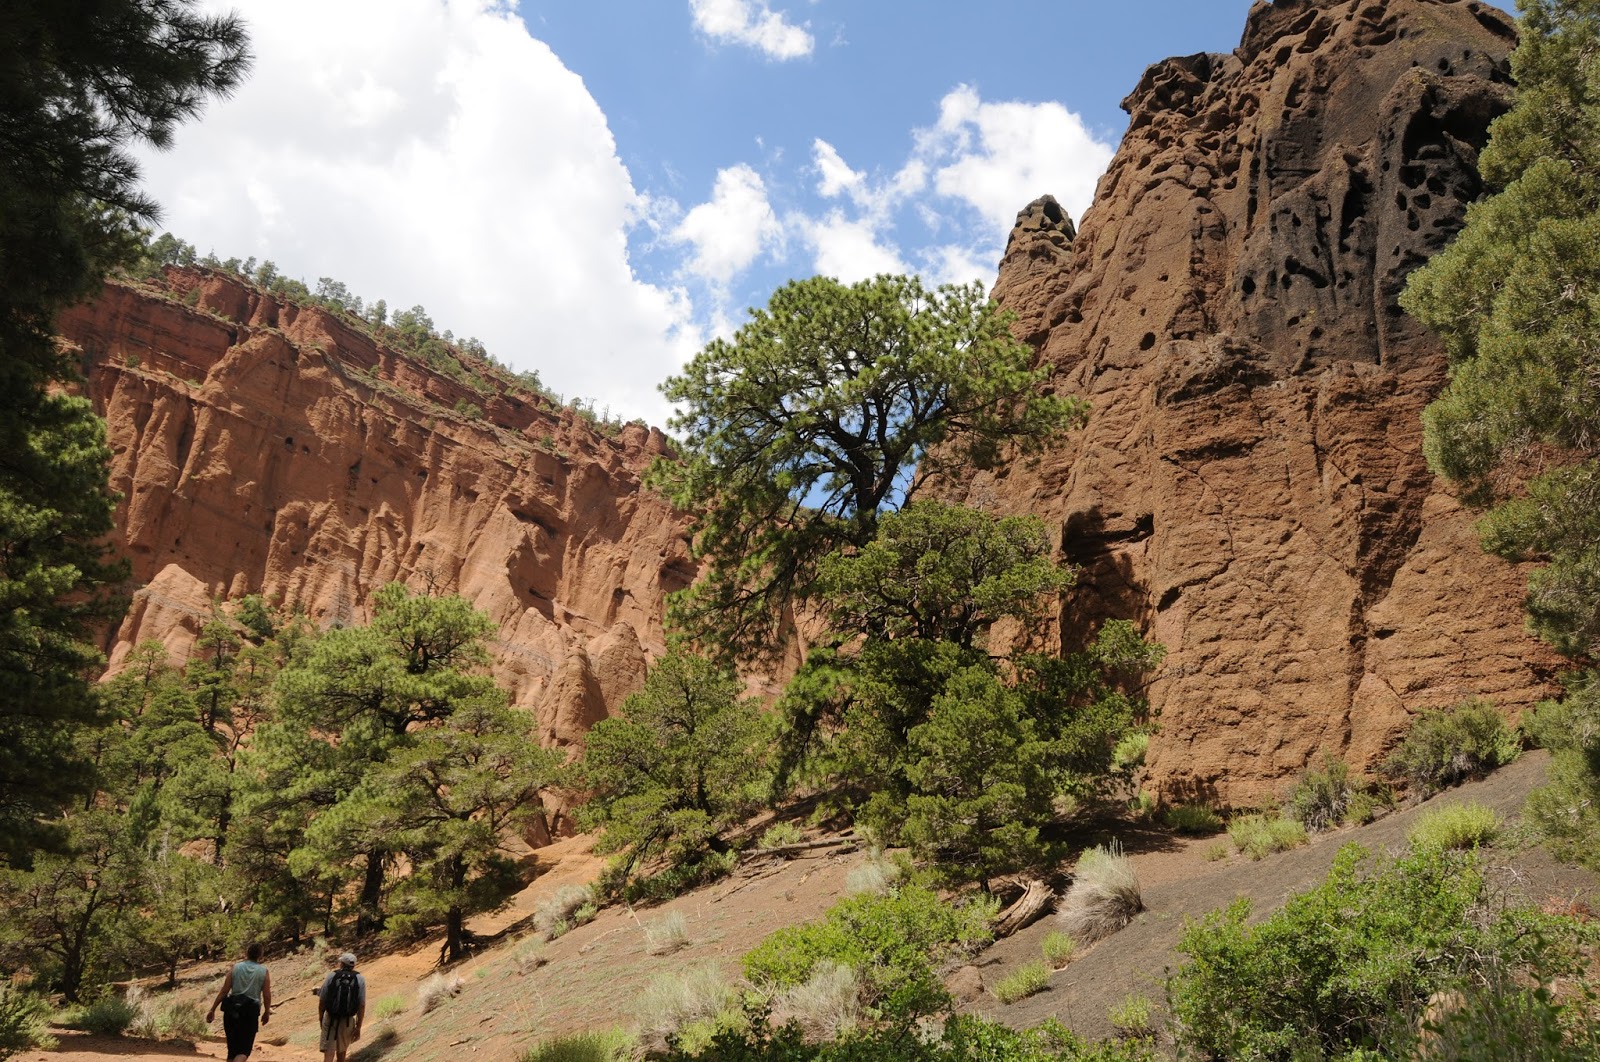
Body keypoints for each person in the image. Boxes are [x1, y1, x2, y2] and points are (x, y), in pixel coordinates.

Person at [207, 942, 272, 1062]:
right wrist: (267, 1011)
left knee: (232, 1052)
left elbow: (224, 991)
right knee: (243, 1051)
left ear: (246, 953)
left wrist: (212, 1009)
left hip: (231, 1011)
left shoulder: (236, 968)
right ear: (260, 955)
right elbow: (266, 995)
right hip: (249, 1012)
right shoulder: (263, 971)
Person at [317, 951, 366, 1062]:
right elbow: (362, 1005)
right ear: (353, 965)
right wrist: (358, 1027)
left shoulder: (332, 976)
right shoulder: (360, 979)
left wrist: (321, 1018)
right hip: (347, 1021)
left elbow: (322, 1001)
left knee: (329, 1053)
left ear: (342, 964)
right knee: (342, 1052)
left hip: (330, 1018)